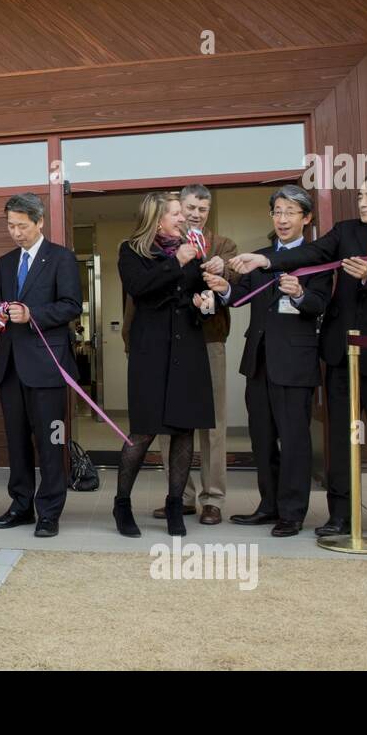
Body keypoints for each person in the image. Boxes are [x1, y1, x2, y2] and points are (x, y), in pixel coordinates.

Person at [231, 172, 367, 542]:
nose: (363, 203)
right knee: (340, 439)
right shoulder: (346, 231)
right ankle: (340, 514)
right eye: (360, 196)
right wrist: (266, 260)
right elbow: (312, 253)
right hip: (339, 353)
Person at [207, 186, 331, 537]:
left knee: (294, 440)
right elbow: (241, 297)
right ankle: (269, 505)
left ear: (306, 218)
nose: (282, 218)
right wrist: (224, 289)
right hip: (258, 361)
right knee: (262, 439)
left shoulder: (317, 258)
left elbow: (320, 304)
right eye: (277, 211)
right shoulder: (258, 258)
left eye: (290, 211)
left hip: (295, 363)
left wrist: (302, 294)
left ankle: (292, 512)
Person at [113, 193, 221, 537]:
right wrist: (176, 262)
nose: (183, 218)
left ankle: (176, 505)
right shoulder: (131, 251)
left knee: (184, 430)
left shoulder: (193, 248)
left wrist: (207, 301)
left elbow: (201, 292)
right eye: (176, 213)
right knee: (143, 432)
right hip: (150, 353)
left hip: (188, 349)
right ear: (157, 219)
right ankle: (122, 504)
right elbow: (140, 289)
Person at [0, 192, 82, 538]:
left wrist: (33, 315)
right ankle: (20, 504)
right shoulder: (4, 261)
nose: (16, 232)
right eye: (11, 226)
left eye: (22, 226)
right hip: (10, 365)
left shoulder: (61, 258)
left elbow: (72, 305)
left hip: (47, 365)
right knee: (16, 441)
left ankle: (50, 510)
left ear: (40, 222)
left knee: (50, 441)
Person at [151, 184, 238, 525]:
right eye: (189, 207)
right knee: (169, 422)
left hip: (209, 340)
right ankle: (180, 496)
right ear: (179, 207)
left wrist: (224, 269)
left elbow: (237, 282)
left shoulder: (223, 246)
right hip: (168, 344)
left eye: (202, 209)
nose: (195, 214)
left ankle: (213, 498)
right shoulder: (160, 244)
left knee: (213, 424)